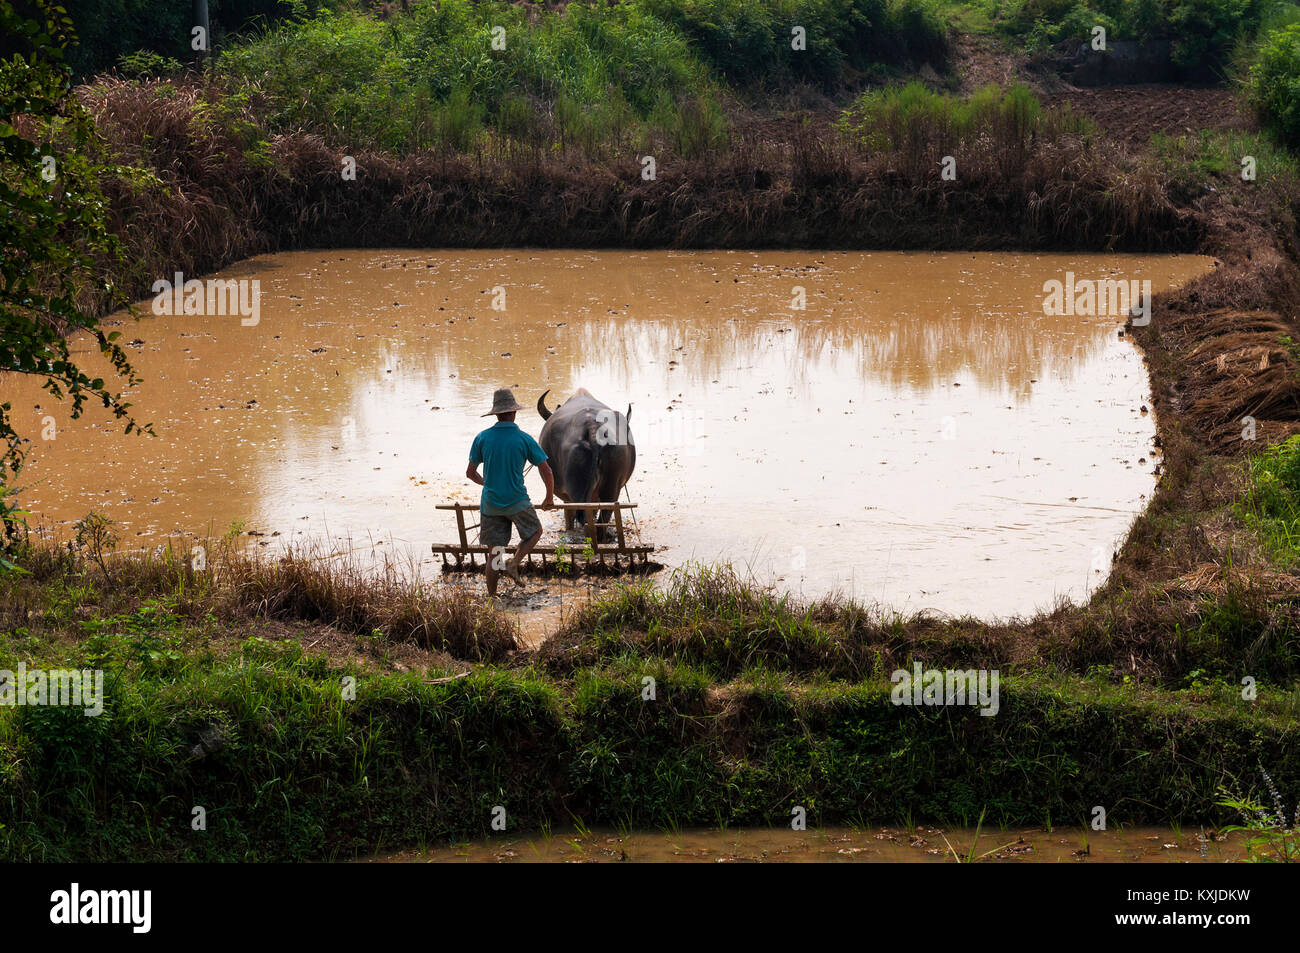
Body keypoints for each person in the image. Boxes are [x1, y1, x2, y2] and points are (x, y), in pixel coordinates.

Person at [466, 388, 555, 596]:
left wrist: (487, 484)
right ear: (514, 413)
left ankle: (492, 598)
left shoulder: (482, 438)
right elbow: (547, 470)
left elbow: (470, 473)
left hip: (491, 504)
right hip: (517, 501)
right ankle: (515, 562)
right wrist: (549, 496)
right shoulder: (524, 439)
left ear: (496, 414)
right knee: (535, 532)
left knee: (495, 553)